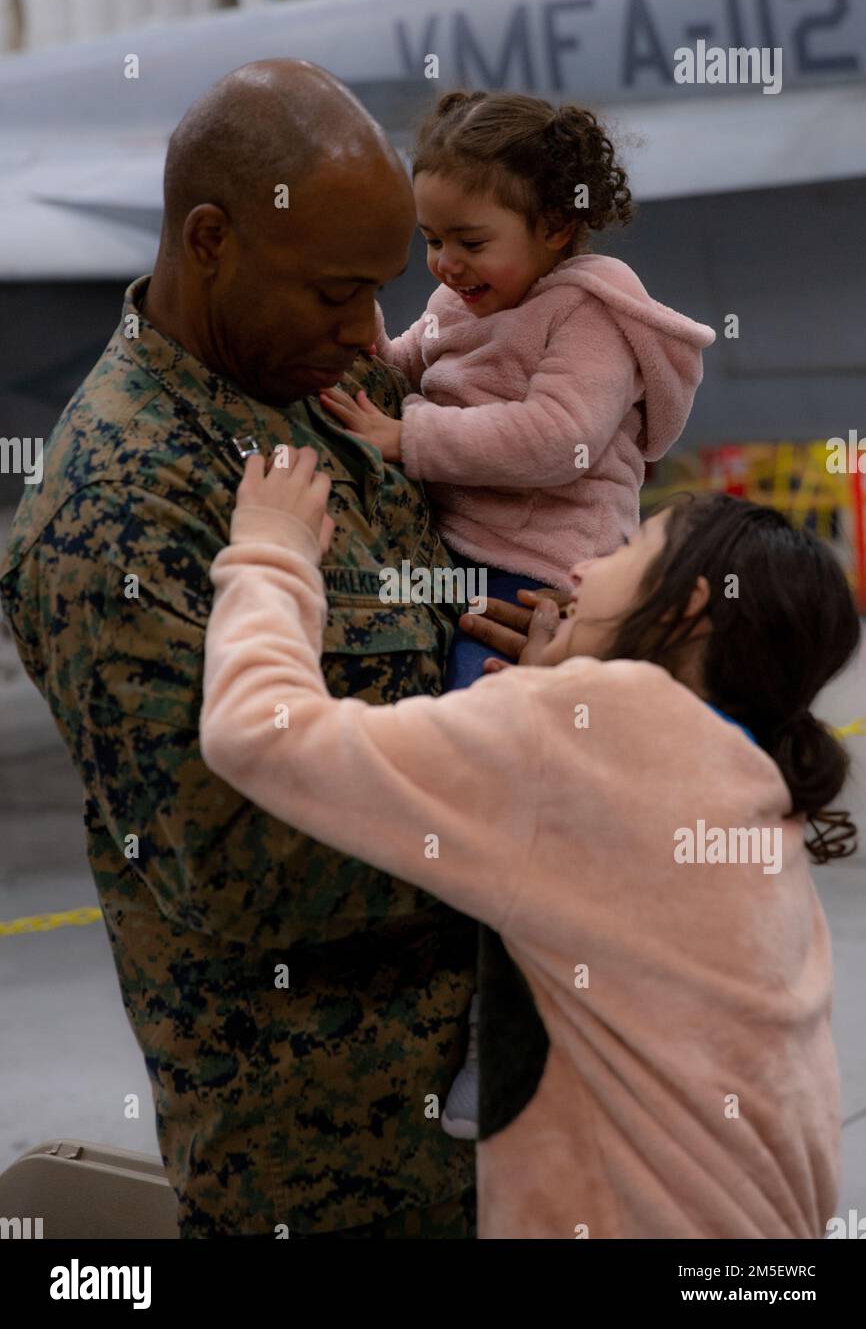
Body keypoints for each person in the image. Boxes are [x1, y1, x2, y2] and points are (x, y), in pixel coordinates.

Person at [0, 61, 480, 1238]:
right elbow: (235, 867)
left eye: (377, 291)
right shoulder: (121, 501)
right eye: (333, 292)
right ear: (211, 239)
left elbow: (419, 610)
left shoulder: (321, 382)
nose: (368, 332)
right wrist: (534, 803)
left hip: (486, 1123)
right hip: (326, 1175)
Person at [200, 445, 860, 1239]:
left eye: (628, 548)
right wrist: (552, 698)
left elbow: (257, 734)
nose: (580, 572)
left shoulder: (597, 727)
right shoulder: (750, 784)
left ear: (686, 608)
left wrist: (273, 548)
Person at [321, 89, 716, 1133]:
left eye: (469, 240)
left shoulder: (586, 312)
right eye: (429, 240)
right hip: (460, 578)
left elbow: (557, 439)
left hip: (540, 593)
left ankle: (509, 1043)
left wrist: (409, 444)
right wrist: (357, 354)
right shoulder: (470, 300)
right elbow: (410, 361)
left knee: (498, 816)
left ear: (556, 227)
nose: (443, 264)